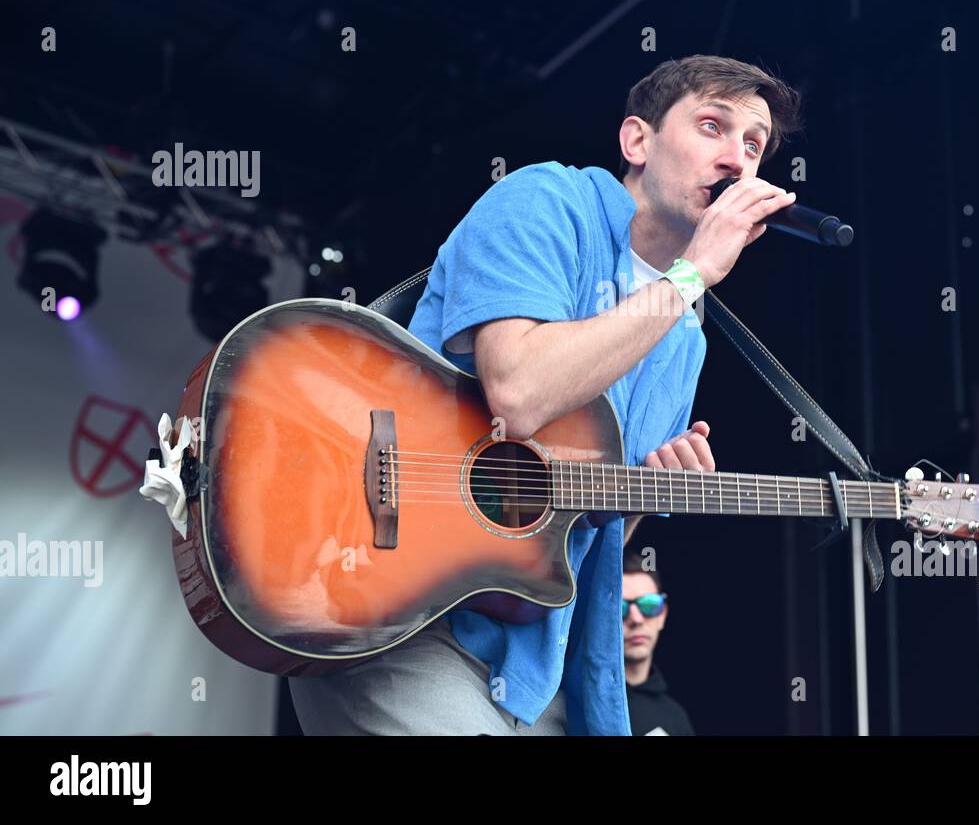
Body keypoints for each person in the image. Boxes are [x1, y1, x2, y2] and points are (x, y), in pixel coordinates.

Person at [289, 54, 802, 735]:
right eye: (713, 126)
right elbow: (520, 394)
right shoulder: (546, 200)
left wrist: (642, 494)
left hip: (535, 655)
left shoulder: (685, 336)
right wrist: (693, 273)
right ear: (637, 141)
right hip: (398, 611)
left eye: (754, 145)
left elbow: (586, 527)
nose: (737, 158)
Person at [623, 551, 695, 735]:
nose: (636, 619)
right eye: (620, 608)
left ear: (662, 615)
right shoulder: (574, 703)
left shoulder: (675, 718)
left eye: (649, 605)